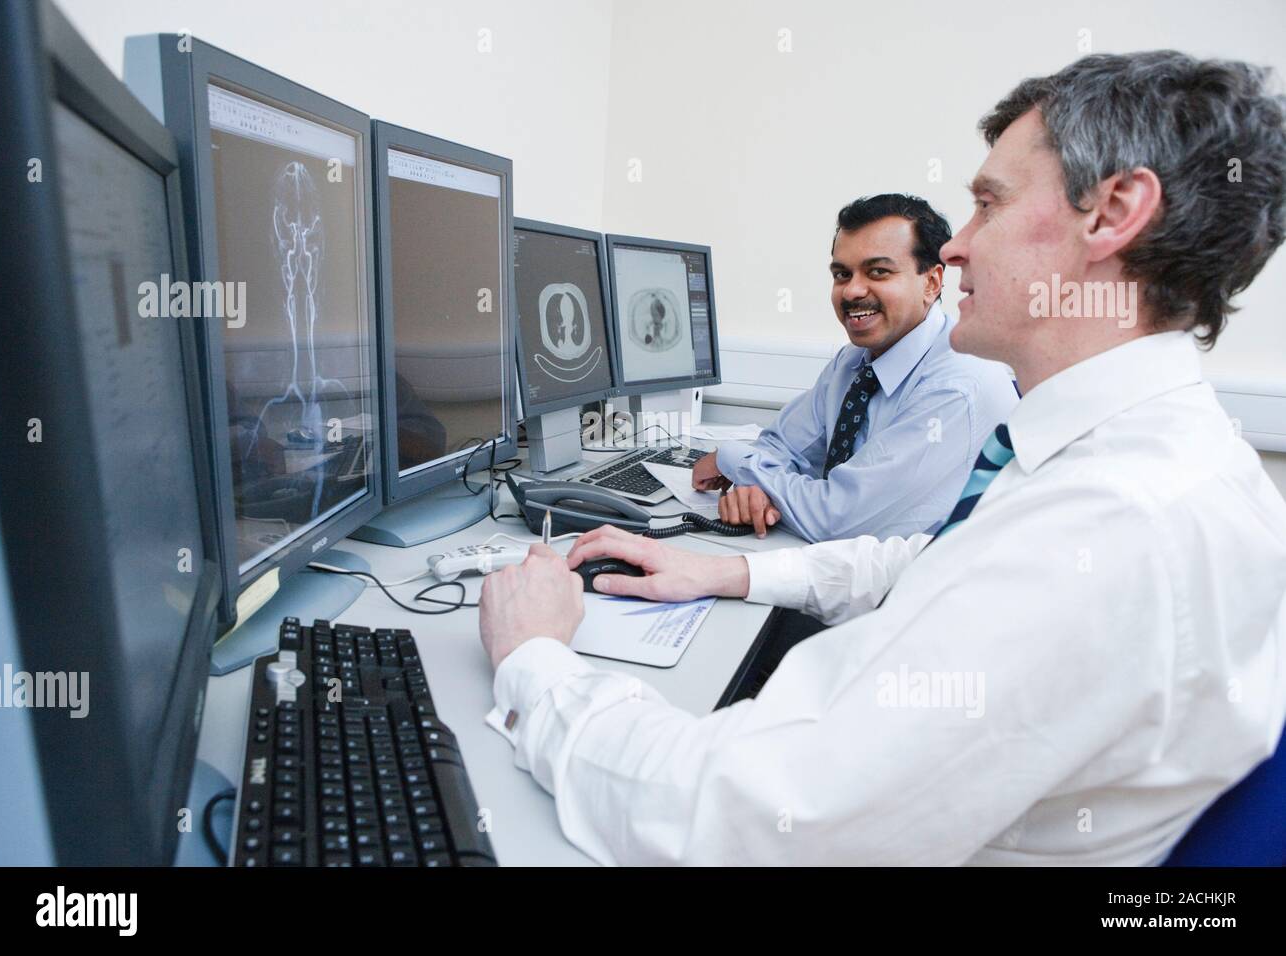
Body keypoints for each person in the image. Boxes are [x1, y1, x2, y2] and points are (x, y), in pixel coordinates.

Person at [478, 51, 1286, 864]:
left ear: (1113, 213)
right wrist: (725, 573)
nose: (958, 247)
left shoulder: (1113, 525)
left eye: (987, 205)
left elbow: (742, 816)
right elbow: (930, 560)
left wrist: (536, 662)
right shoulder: (1133, 453)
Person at [691, 194, 1017, 540]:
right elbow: (781, 446)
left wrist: (731, 459)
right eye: (842, 274)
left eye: (878, 271)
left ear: (931, 282)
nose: (852, 291)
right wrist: (755, 492)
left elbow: (838, 519)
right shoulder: (854, 362)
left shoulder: (956, 384)